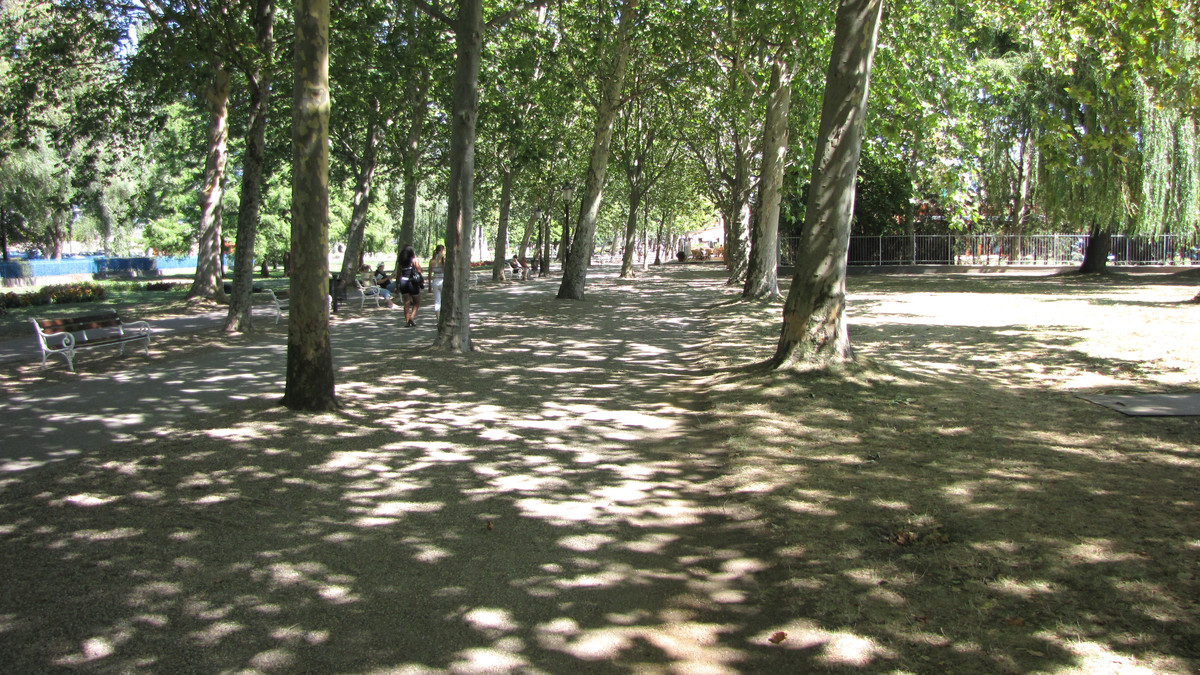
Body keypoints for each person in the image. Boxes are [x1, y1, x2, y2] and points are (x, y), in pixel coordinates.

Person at [397, 244, 424, 327]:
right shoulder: (414, 260)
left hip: (403, 282)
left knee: (406, 303)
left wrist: (396, 285)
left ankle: (407, 320)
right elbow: (419, 270)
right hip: (413, 283)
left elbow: (398, 274)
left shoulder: (400, 262)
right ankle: (412, 317)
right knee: (416, 302)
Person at [429, 244, 446, 312]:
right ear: (442, 250)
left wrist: (429, 285)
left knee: (437, 302)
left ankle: (438, 319)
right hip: (443, 281)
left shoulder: (432, 261)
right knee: (444, 300)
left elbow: (429, 273)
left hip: (435, 282)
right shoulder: (443, 259)